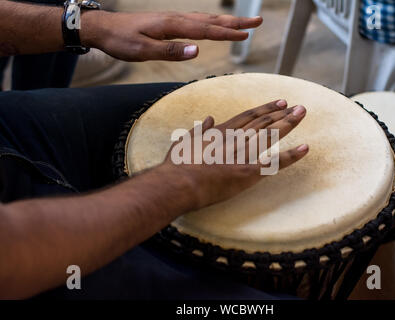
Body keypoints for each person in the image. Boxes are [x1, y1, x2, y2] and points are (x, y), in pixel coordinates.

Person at [0, 1, 309, 299]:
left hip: (8, 124)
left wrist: (89, 25)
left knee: (223, 103)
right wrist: (182, 180)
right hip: (23, 260)